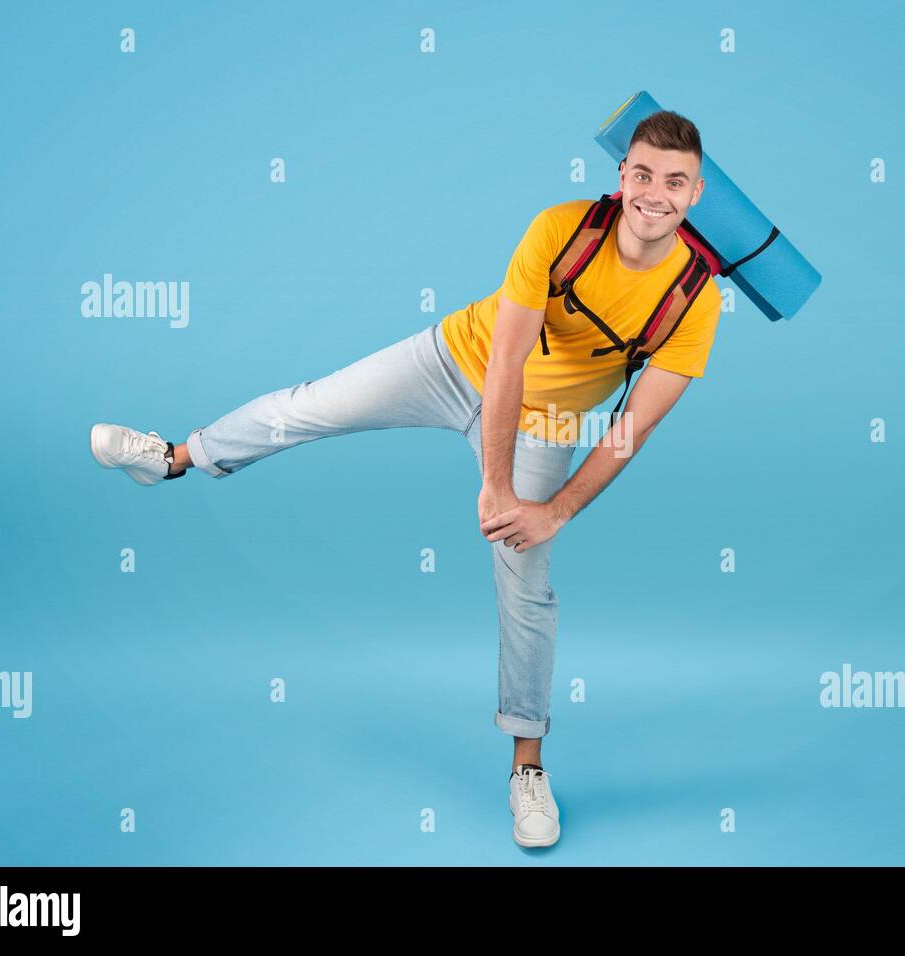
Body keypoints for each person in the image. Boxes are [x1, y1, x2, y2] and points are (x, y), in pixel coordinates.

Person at [88, 110, 722, 849]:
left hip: (546, 426)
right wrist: (496, 481)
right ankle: (174, 457)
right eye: (642, 174)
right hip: (455, 359)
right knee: (312, 405)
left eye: (673, 181)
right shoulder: (560, 228)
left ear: (696, 193)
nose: (655, 193)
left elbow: (629, 429)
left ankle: (527, 767)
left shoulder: (697, 299)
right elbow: (506, 363)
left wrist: (553, 510)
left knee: (527, 587)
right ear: (621, 176)